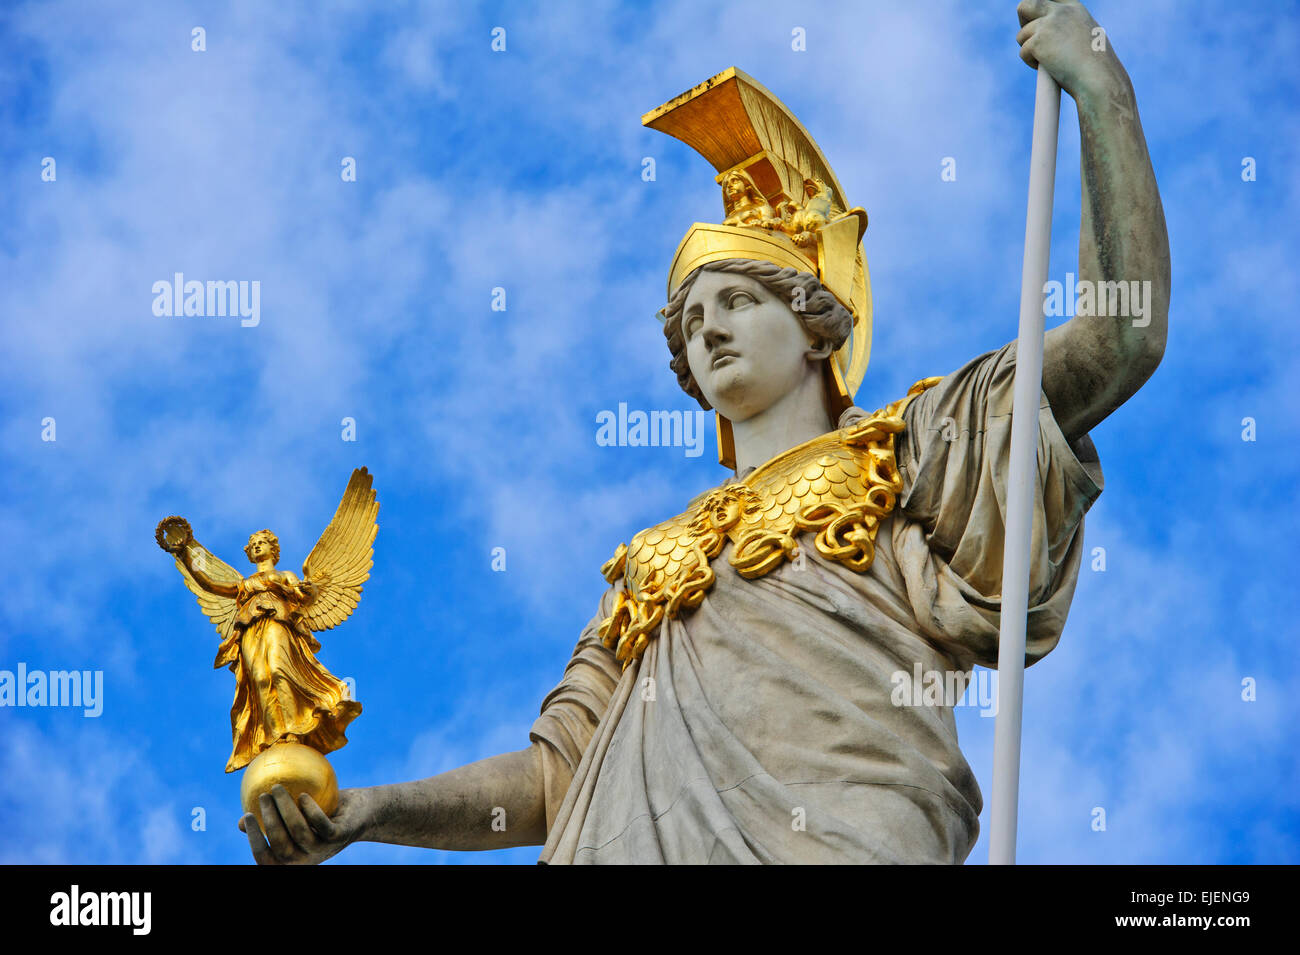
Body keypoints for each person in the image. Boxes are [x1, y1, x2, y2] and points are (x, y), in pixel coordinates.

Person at [240, 0, 1168, 864]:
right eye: (690, 322)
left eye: (736, 301)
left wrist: (1100, 92)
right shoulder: (651, 565)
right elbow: (552, 778)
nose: (709, 328)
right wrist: (367, 813)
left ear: (815, 325)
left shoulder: (912, 447)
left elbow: (1120, 336)